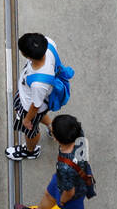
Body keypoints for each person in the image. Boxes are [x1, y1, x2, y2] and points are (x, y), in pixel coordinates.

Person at [13, 114, 103, 209]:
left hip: (70, 191)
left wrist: (62, 201)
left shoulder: (64, 167)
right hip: (72, 177)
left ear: (56, 139)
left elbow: (70, 191)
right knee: (49, 195)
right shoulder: (79, 135)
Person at [6, 32, 69, 161]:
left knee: (30, 132)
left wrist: (27, 120)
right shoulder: (49, 43)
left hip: (31, 106)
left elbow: (36, 105)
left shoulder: (39, 84)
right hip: (32, 96)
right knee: (39, 115)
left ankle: (30, 150)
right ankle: (52, 127)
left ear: (27, 56)